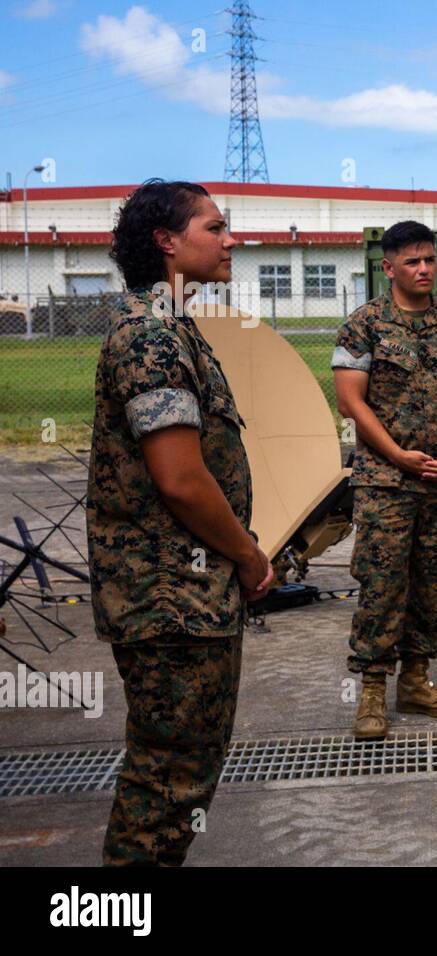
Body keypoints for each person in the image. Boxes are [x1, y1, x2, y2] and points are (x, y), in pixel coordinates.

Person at [90, 179, 273, 865]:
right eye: (215, 227)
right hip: (169, 601)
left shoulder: (175, 329)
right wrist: (251, 559)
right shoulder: (151, 339)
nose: (231, 241)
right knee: (166, 778)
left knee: (183, 773)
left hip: (187, 595)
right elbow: (181, 479)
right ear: (167, 241)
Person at [333, 220, 437, 738]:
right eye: (412, 262)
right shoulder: (365, 326)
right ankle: (373, 691)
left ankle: (417, 681)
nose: (423, 269)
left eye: (429, 260)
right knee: (382, 581)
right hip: (385, 483)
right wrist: (398, 454)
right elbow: (350, 400)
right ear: (388, 267)